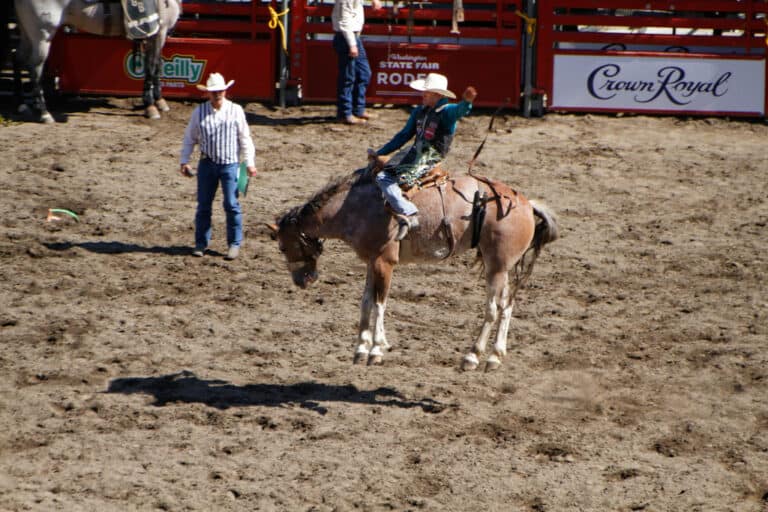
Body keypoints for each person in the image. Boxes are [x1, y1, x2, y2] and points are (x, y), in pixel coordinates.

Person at [369, 73, 477, 240]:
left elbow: (459, 111)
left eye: (427, 92)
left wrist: (467, 103)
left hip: (430, 157)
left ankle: (408, 211)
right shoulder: (420, 111)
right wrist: (380, 153)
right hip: (415, 152)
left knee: (384, 178)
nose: (423, 94)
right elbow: (403, 135)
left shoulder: (446, 112)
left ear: (438, 95)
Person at [179, 72, 258, 260]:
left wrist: (249, 163)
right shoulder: (199, 112)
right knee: (204, 205)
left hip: (230, 164)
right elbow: (190, 138)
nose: (218, 94)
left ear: (225, 91)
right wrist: (184, 160)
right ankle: (201, 243)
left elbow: (245, 138)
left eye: (220, 91)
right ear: (208, 93)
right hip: (207, 163)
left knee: (231, 204)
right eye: (214, 91)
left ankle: (234, 243)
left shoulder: (236, 110)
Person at [332, 0, 382, 125]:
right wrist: (352, 44)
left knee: (363, 73)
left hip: (351, 36)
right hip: (347, 36)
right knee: (349, 76)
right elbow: (344, 21)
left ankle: (357, 109)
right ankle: (346, 113)